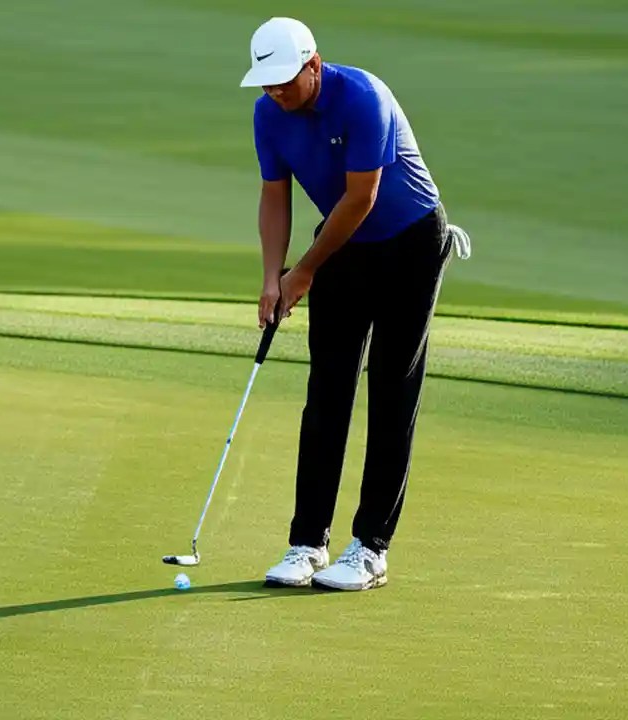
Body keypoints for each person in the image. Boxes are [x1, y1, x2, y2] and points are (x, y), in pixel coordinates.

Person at [241, 17, 470, 591]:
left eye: (286, 81)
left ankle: (370, 547)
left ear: (314, 64)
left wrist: (306, 271)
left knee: (391, 387)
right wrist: (274, 276)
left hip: (410, 242)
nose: (277, 93)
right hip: (340, 243)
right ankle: (306, 542)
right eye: (267, 84)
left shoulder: (364, 96)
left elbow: (361, 196)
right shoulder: (268, 115)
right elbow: (275, 196)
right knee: (328, 389)